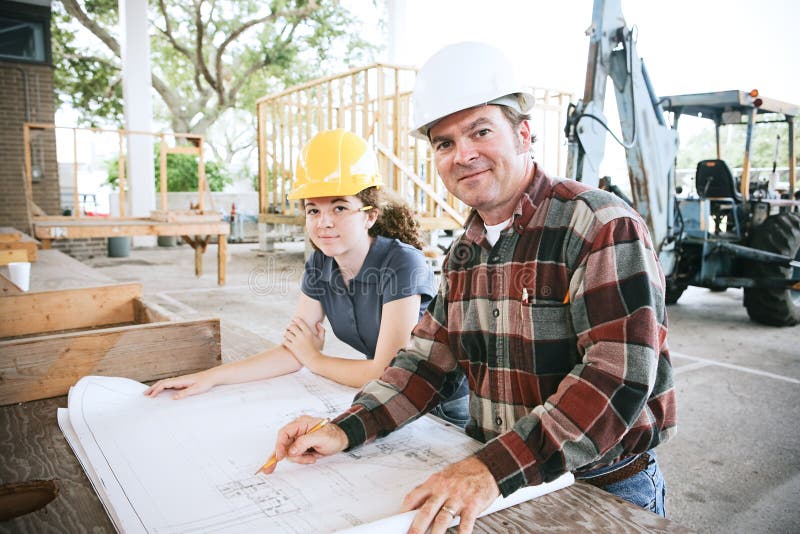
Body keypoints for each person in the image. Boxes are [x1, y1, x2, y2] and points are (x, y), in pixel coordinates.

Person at [265, 41, 678, 534]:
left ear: (523, 134)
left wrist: (488, 470)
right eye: (444, 143)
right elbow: (426, 363)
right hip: (498, 483)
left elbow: (615, 378)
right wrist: (344, 428)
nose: (463, 155)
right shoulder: (467, 250)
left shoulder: (598, 225)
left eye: (480, 131)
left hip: (598, 488)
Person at [145, 129, 470, 427]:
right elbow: (292, 351)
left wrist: (314, 359)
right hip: (391, 399)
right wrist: (211, 377)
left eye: (339, 208)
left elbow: (386, 370)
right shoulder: (320, 264)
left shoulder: (402, 262)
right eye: (313, 210)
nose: (323, 222)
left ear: (370, 216)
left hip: (442, 405)